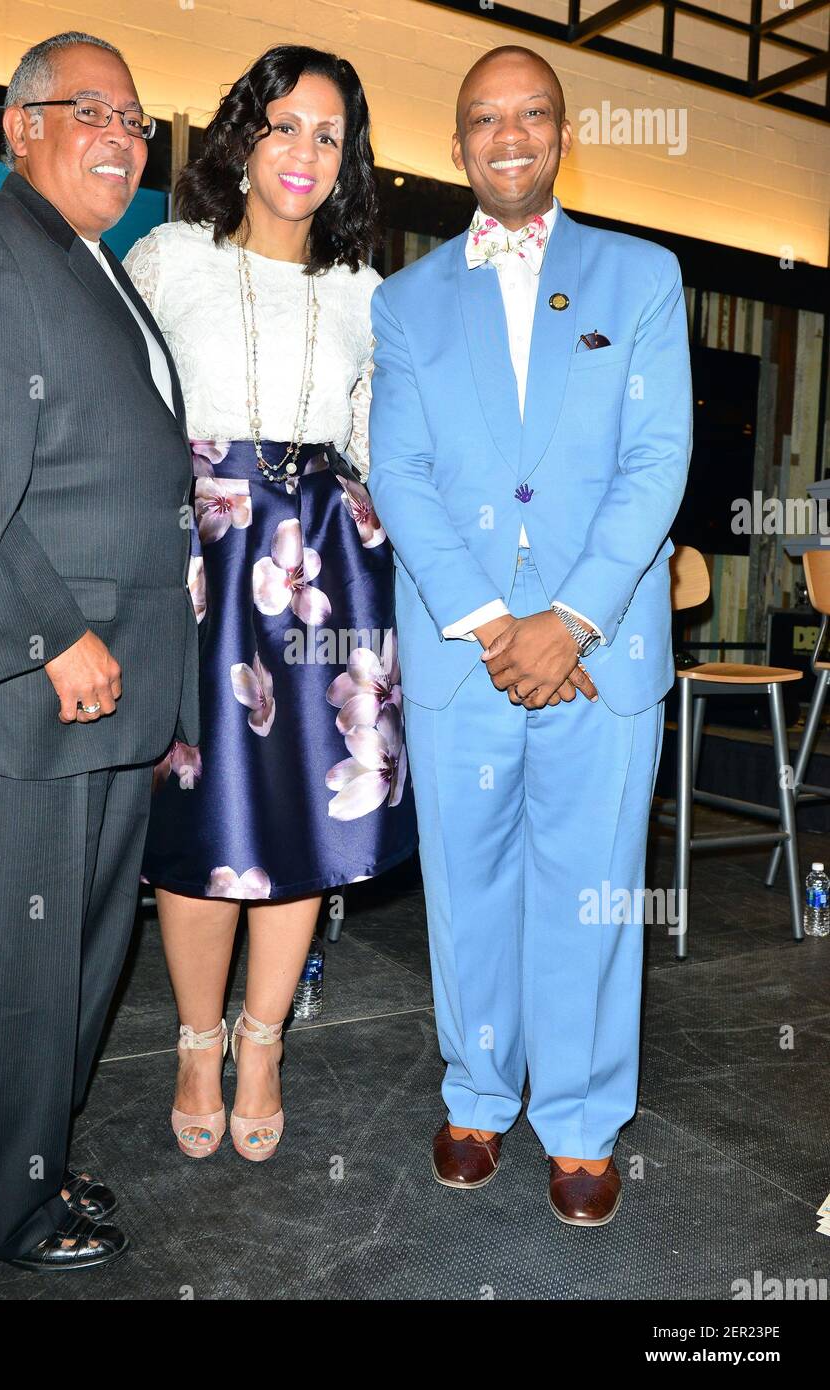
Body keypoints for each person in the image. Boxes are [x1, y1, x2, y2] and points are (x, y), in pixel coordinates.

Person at [0, 30, 198, 1268]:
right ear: (20, 127)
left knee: (75, 957)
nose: (122, 136)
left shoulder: (88, 265)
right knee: (20, 968)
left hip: (107, 691)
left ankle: (35, 1170)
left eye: (136, 120)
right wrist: (55, 637)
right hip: (24, 687)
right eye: (92, 112)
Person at [368, 46, 692, 1225]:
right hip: (465, 653)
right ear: (457, 145)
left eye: (532, 115)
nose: (509, 135)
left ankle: (586, 1121)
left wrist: (572, 619)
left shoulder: (644, 275)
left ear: (562, 134)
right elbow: (398, 471)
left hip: (602, 652)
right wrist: (497, 624)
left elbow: (659, 464)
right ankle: (475, 1091)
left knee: (593, 888)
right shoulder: (402, 301)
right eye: (483, 119)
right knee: (468, 888)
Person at [123, 44, 416, 1164]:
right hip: (195, 561)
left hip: (325, 568)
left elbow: (383, 447)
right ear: (244, 137)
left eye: (328, 136)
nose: (303, 152)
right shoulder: (167, 257)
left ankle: (262, 1042)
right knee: (200, 824)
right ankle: (196, 1040)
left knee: (302, 815)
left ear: (348, 164)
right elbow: (127, 422)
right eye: (284, 125)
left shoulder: (364, 292)